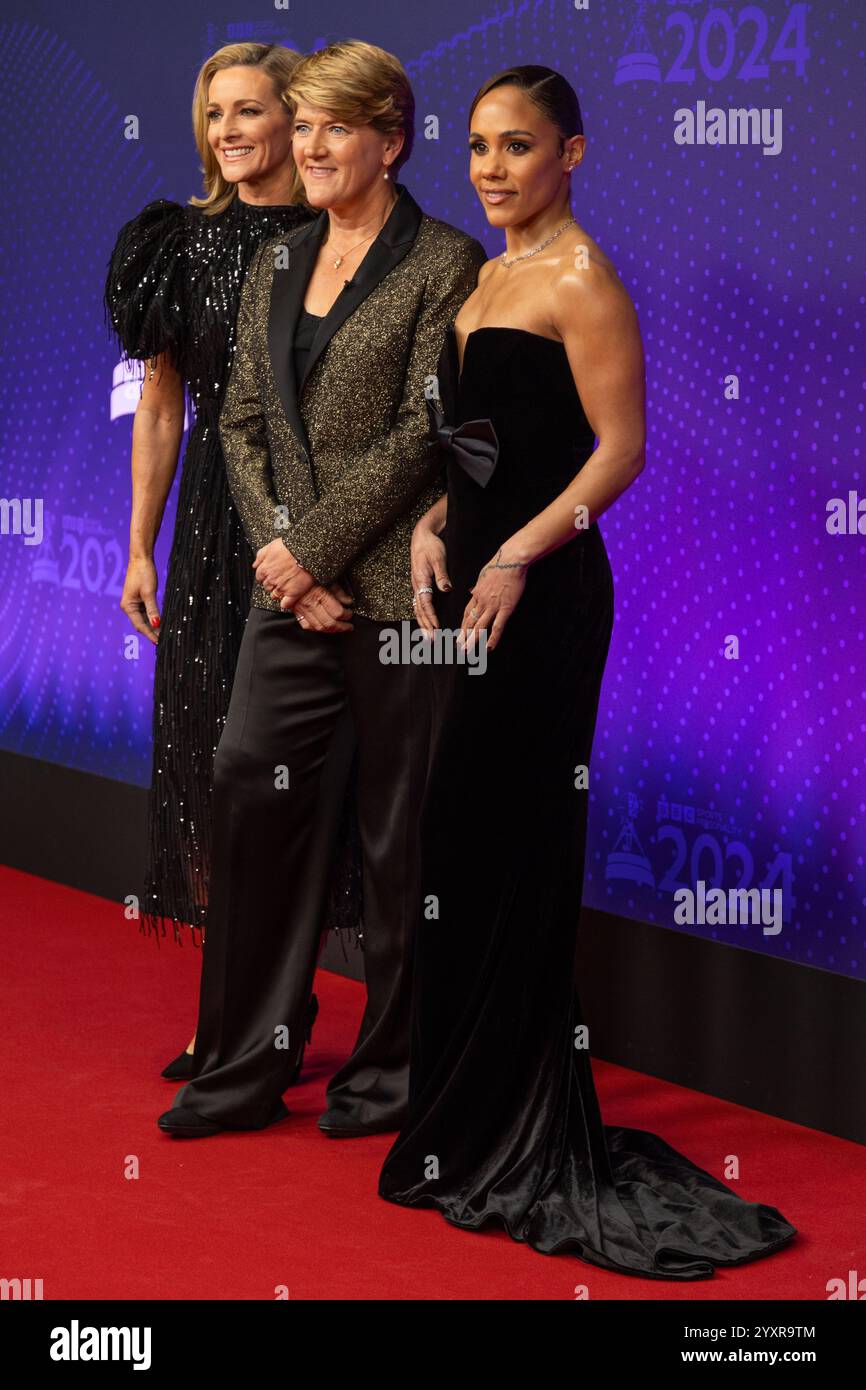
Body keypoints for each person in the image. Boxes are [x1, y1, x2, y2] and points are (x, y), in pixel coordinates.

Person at [378, 65, 797, 1278]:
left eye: (516, 147)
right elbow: (476, 441)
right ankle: (461, 1120)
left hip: (546, 598)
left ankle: (517, 1127)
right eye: (475, 148)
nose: (490, 168)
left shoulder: (579, 278)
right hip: (475, 585)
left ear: (571, 153)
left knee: (509, 844)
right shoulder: (484, 276)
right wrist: (429, 525)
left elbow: (620, 450)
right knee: (456, 842)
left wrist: (508, 552)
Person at [157, 40, 487, 1138]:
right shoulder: (276, 259)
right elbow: (240, 422)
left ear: (388, 141)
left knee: (402, 843)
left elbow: (421, 436)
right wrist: (283, 562)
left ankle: (389, 1073)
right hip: (287, 594)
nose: (307, 148)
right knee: (253, 802)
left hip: (399, 601)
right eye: (299, 127)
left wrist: (319, 554)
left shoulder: (445, 261)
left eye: (331, 128)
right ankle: (244, 1062)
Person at [103, 43, 348, 1082]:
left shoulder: (337, 237)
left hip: (317, 520)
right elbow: (160, 404)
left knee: (288, 776)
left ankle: (274, 1012)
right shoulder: (177, 243)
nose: (229, 132)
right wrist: (137, 542)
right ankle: (233, 1014)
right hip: (208, 522)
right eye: (214, 114)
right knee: (210, 763)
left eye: (250, 111)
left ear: (297, 118)